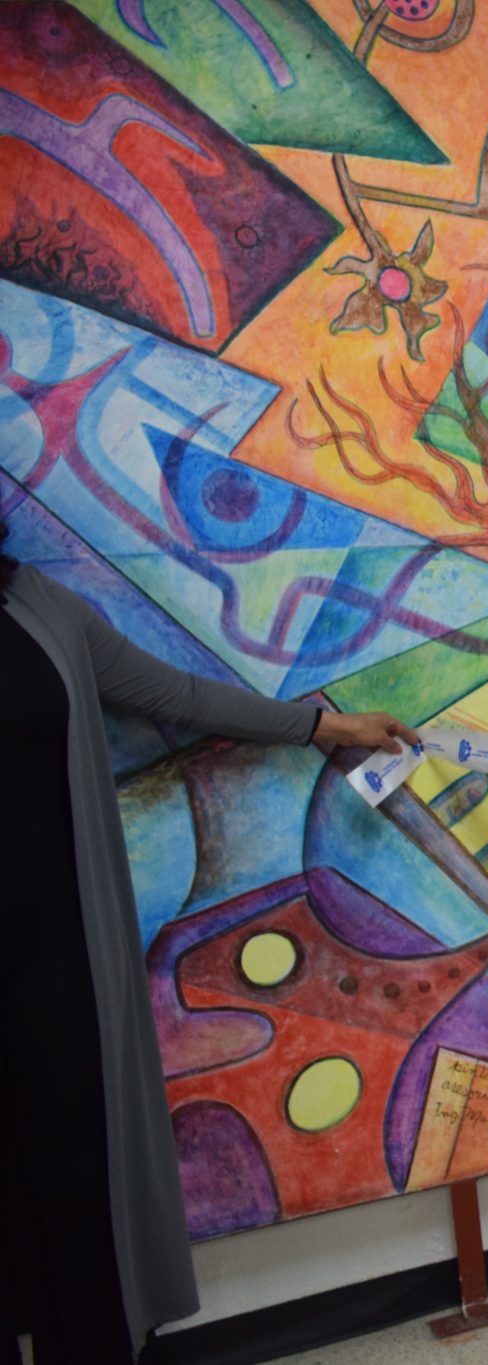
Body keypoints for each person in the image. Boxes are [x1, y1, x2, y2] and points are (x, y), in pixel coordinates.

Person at [0, 524, 416, 1364]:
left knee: (76, 1169)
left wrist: (321, 727)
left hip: (56, 957)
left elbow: (178, 694)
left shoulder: (38, 606)